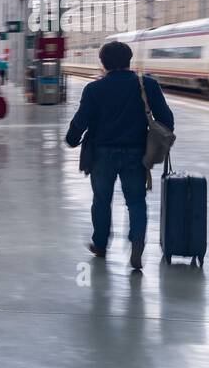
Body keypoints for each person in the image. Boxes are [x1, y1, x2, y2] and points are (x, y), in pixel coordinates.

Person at [65, 41, 174, 271]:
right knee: (135, 201)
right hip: (136, 153)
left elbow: (80, 120)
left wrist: (72, 139)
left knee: (102, 200)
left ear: (103, 63)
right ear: (129, 60)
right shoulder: (148, 85)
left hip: (101, 153)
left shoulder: (94, 89)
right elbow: (167, 119)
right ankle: (137, 242)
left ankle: (101, 244)